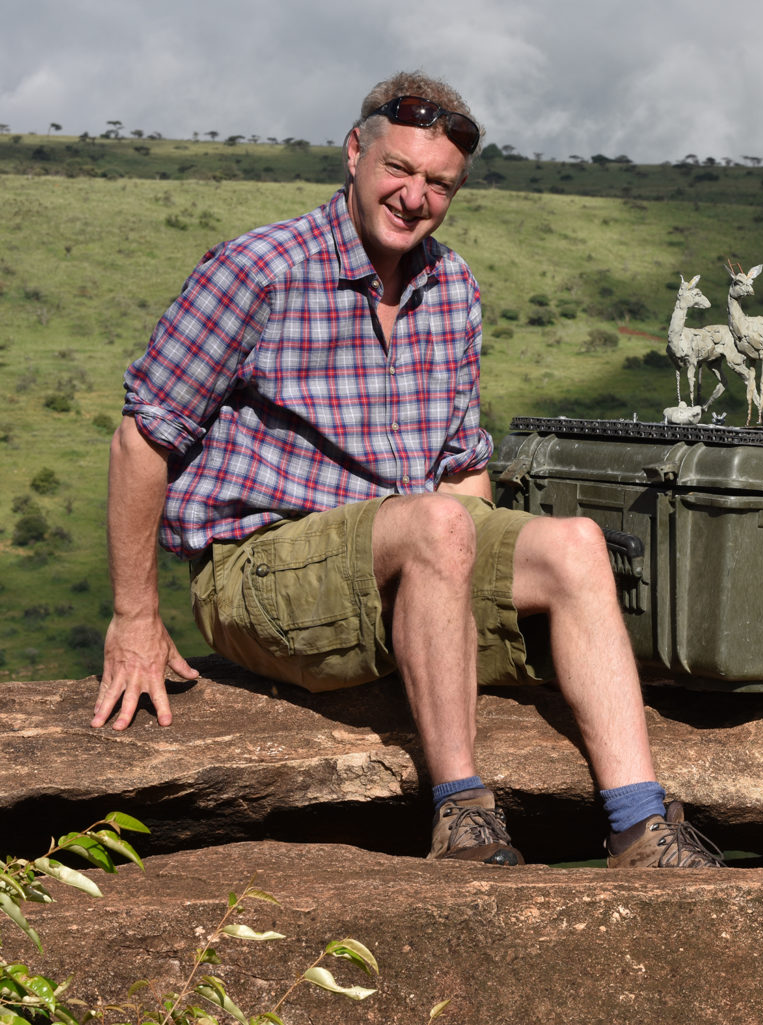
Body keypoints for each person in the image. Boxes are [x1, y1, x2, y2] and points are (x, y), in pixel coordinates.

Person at [93, 71, 723, 871]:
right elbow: (142, 439)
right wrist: (134, 618)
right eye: (399, 169)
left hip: (406, 556)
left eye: (438, 184)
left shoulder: (452, 287)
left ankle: (640, 824)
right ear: (355, 152)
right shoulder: (260, 269)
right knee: (436, 523)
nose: (414, 196)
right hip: (257, 570)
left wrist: (479, 601)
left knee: (575, 546)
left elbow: (462, 474)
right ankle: (462, 811)